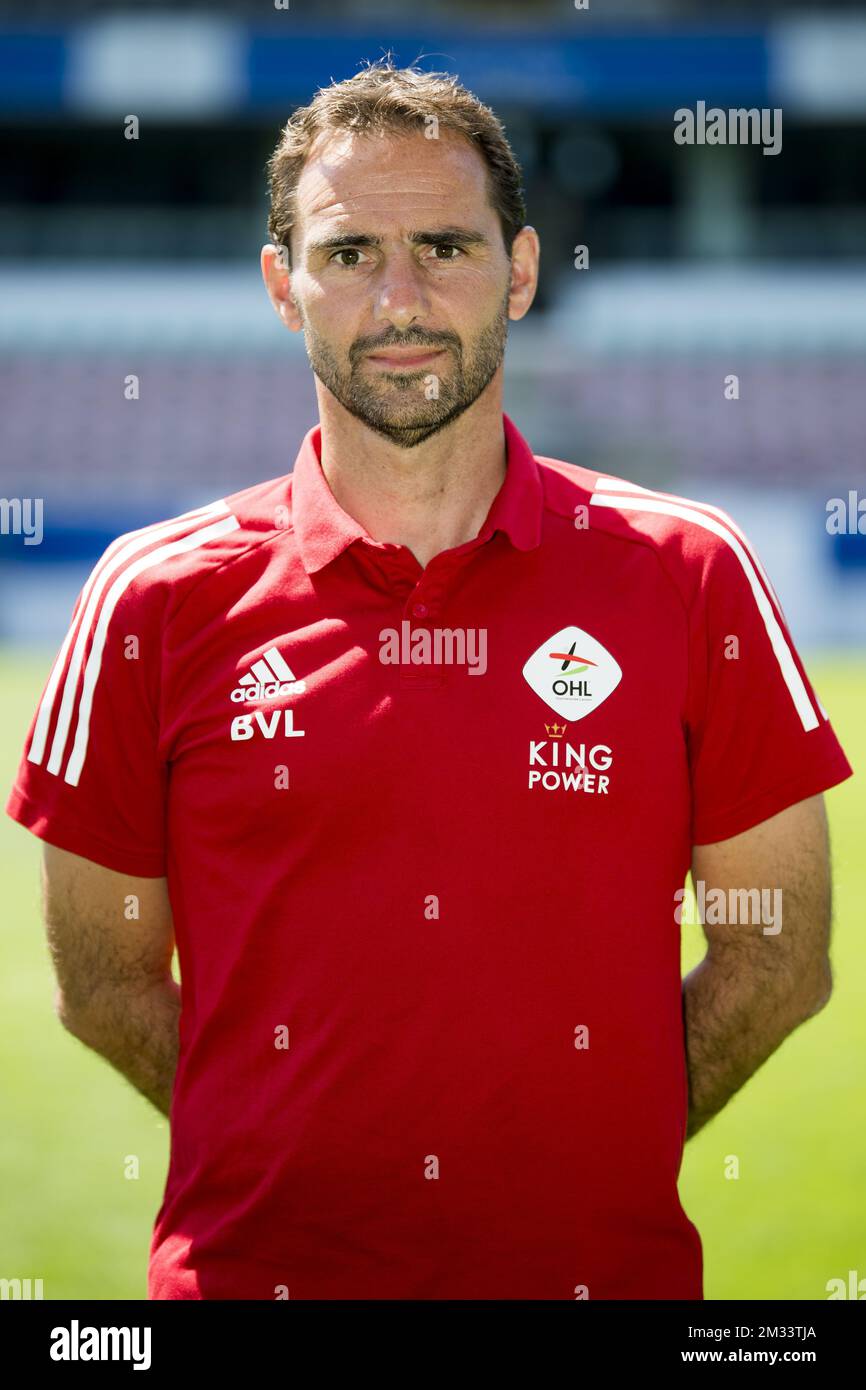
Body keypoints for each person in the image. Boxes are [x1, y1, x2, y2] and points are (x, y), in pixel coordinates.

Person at [6, 61, 853, 1301]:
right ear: (281, 285)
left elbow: (780, 962)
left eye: (444, 246)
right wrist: (301, 1155)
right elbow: (102, 985)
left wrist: (577, 1156)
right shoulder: (147, 601)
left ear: (518, 270)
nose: (399, 299)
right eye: (348, 254)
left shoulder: (690, 575)